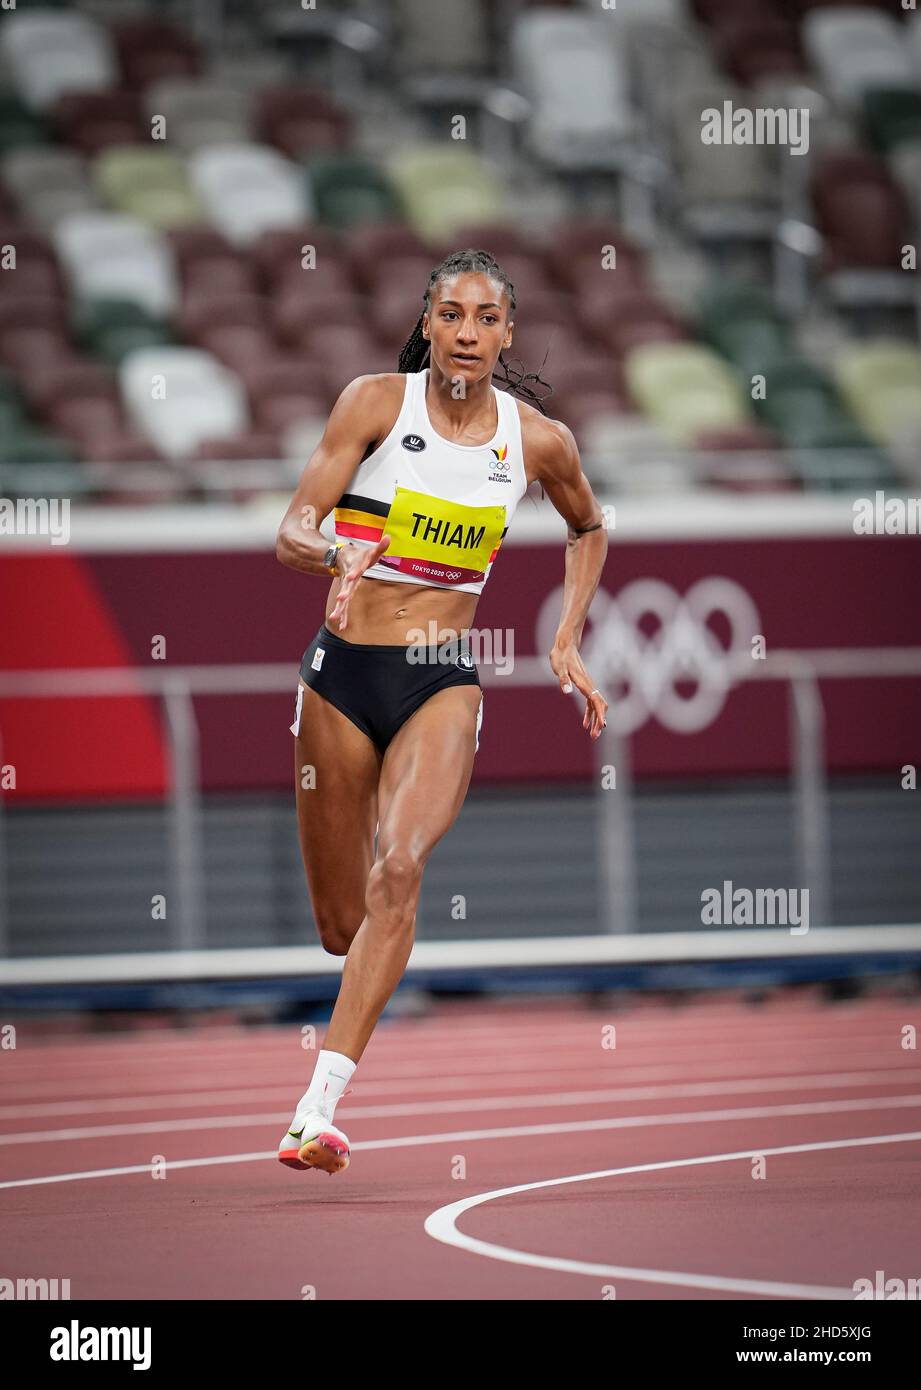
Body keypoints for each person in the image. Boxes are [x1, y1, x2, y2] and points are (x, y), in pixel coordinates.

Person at [274, 249, 609, 1174]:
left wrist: (568, 637)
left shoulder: (539, 440)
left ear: (507, 333)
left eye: (485, 317)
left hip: (440, 677)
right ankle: (331, 1051)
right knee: (343, 926)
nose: (466, 332)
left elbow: (588, 526)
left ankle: (317, 1110)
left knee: (402, 868)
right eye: (451, 314)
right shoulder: (373, 403)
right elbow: (292, 527)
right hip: (339, 678)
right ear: (427, 323)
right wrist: (331, 555)